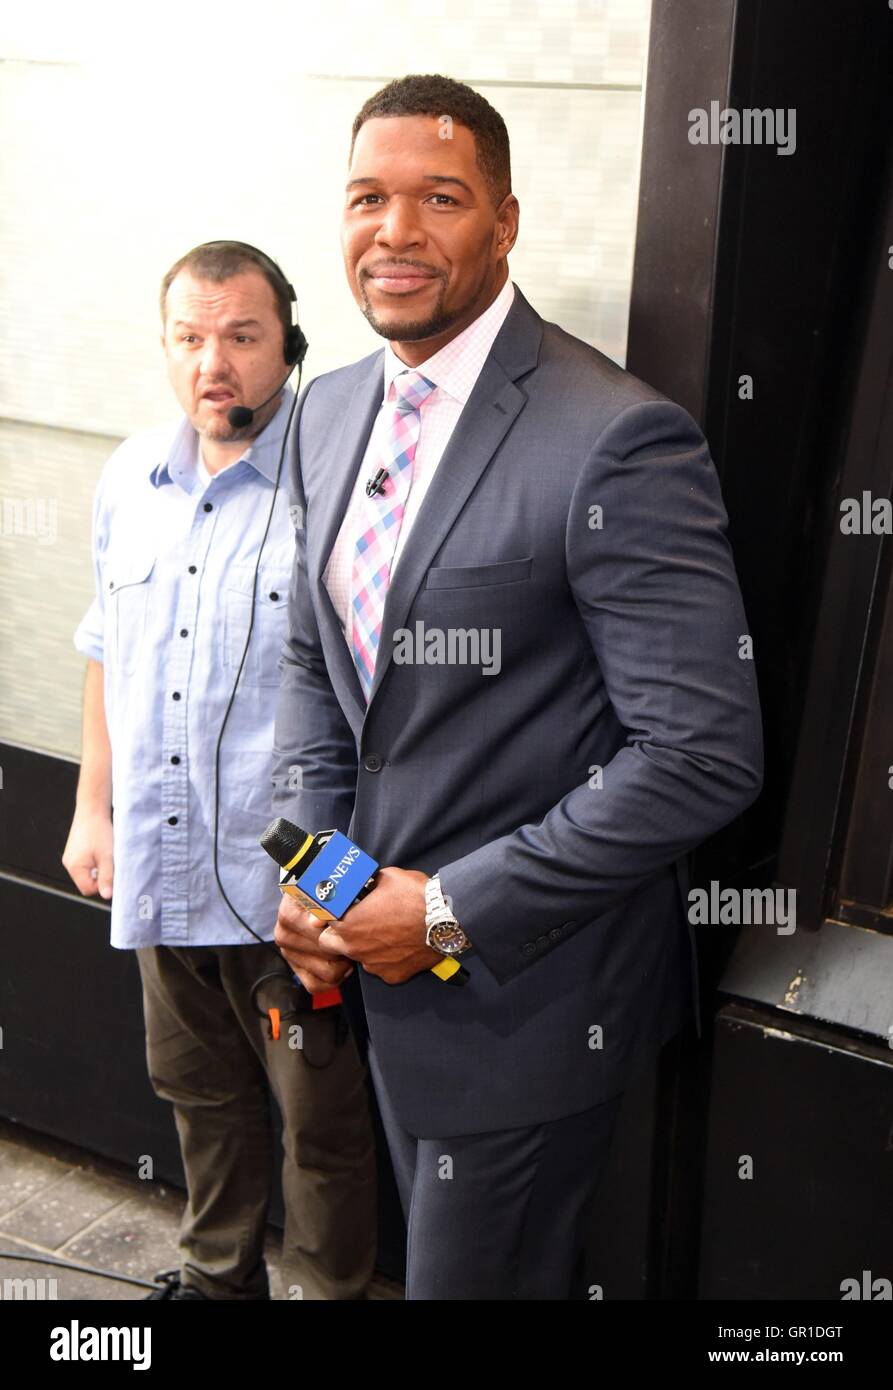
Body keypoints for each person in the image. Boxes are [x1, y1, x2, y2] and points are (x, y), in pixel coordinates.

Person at [271, 74, 763, 1300]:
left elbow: (698, 753)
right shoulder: (324, 412)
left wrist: (440, 910)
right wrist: (308, 872)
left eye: (440, 198)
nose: (395, 231)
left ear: (504, 222)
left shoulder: (613, 436)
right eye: (366, 198)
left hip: (525, 1008)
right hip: (371, 984)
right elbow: (310, 663)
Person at [62, 241, 376, 1301]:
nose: (215, 362)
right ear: (165, 348)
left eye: (242, 337)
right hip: (164, 861)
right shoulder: (129, 479)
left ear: (287, 345)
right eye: (191, 338)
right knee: (197, 1098)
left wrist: (342, 878)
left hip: (290, 883)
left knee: (321, 1124)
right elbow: (108, 649)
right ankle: (216, 1282)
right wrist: (91, 810)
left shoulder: (333, 482)